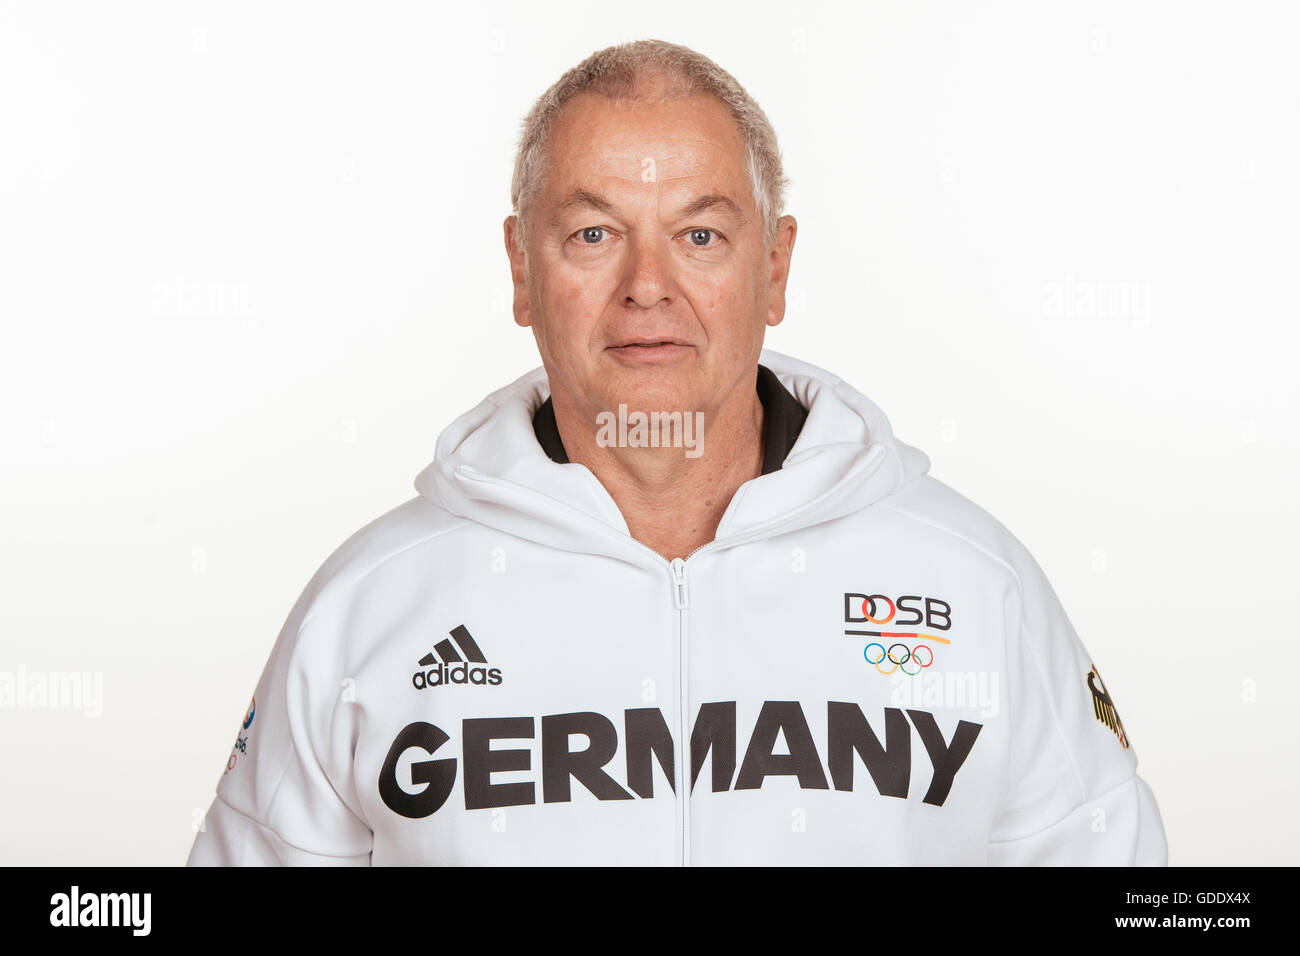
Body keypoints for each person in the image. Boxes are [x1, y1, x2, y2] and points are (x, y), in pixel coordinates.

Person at [188, 39, 1167, 865]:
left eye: (699, 234)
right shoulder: (369, 608)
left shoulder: (972, 584)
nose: (646, 284)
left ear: (772, 269)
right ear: (521, 269)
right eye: (591, 233)